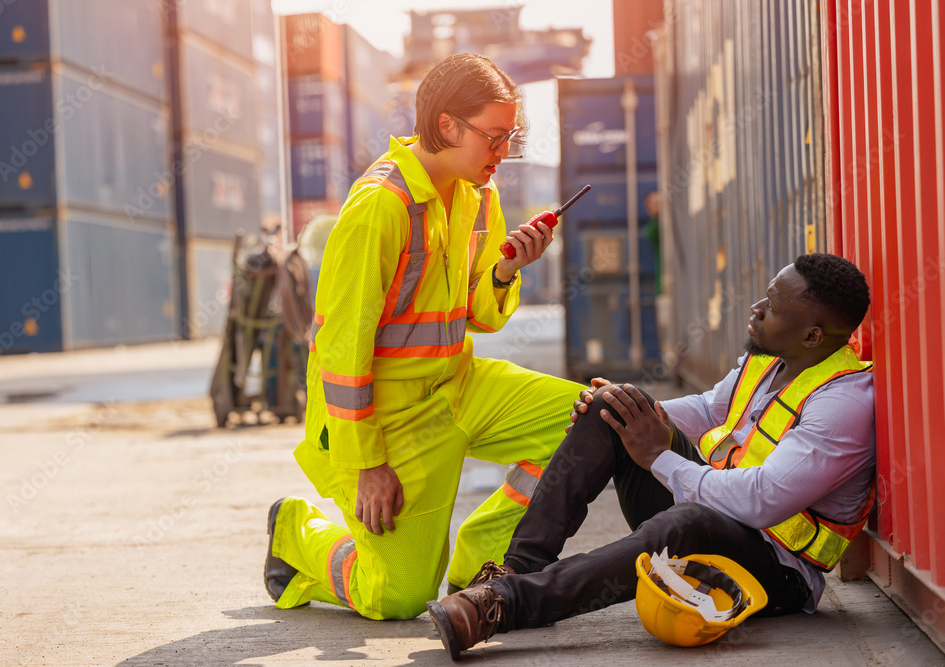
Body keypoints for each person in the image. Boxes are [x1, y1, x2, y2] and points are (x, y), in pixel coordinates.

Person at [263, 53, 585, 621]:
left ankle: (479, 569)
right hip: (388, 418)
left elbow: (479, 316)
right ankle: (298, 533)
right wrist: (368, 463)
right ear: (446, 126)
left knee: (589, 421)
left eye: (509, 137)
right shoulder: (378, 208)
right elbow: (341, 350)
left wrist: (507, 269)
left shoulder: (477, 192)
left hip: (456, 385)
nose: (501, 153)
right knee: (397, 597)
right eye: (493, 136)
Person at [427, 253, 876, 658]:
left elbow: (762, 500)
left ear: (813, 335)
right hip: (717, 515)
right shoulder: (773, 359)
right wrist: (634, 413)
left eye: (773, 308)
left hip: (777, 570)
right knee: (612, 408)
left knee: (686, 523)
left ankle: (509, 604)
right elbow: (706, 409)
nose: (757, 309)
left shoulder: (843, 405)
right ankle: (514, 572)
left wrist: (658, 455)